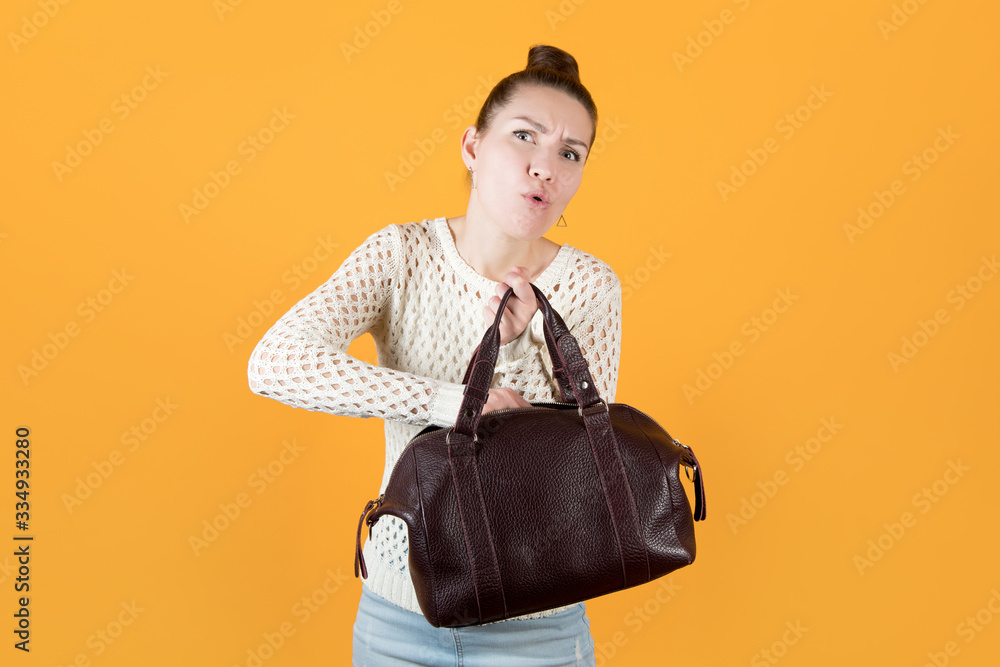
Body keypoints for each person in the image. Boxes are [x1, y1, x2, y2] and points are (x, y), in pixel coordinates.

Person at [246, 43, 622, 666]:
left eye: (569, 153)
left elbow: (583, 466)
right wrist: (450, 401)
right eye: (524, 136)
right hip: (399, 612)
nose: (545, 168)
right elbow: (276, 363)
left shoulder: (588, 286)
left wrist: (518, 350)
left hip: (537, 626)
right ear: (473, 147)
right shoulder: (400, 255)